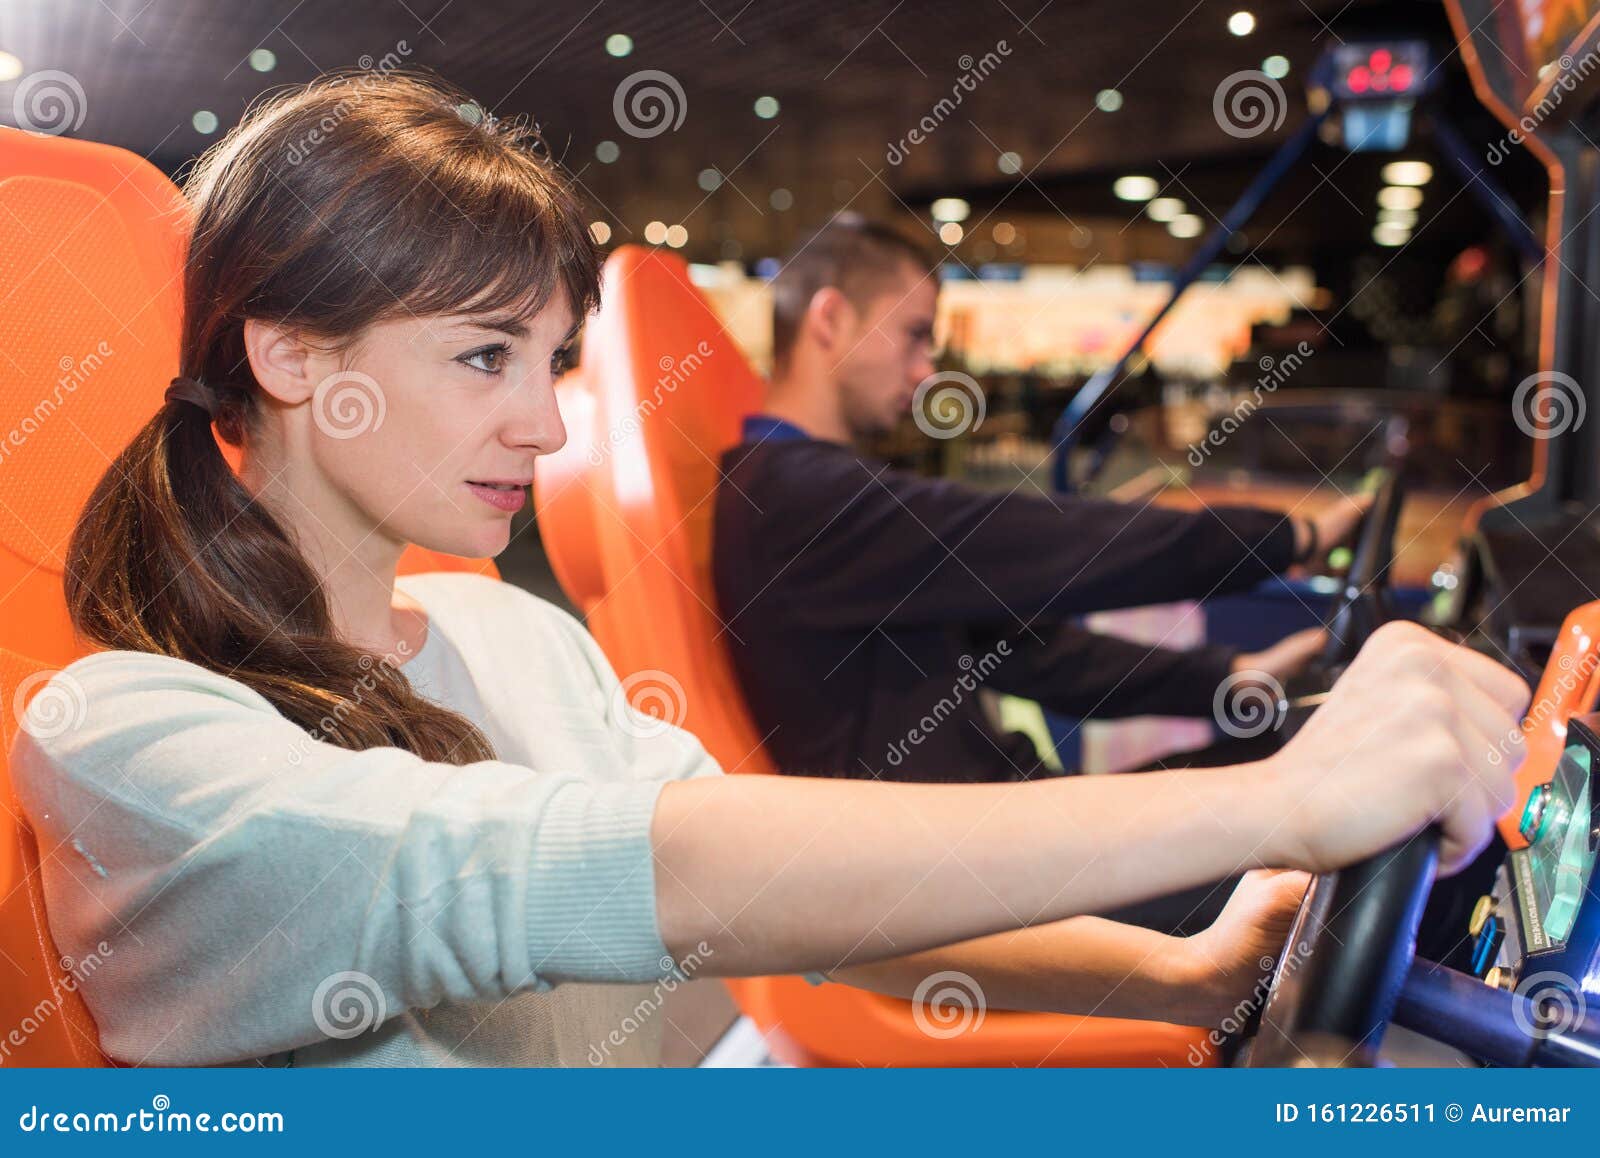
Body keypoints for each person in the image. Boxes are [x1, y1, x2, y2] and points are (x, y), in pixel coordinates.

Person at [10, 74, 1527, 1069]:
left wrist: (1177, 970)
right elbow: (648, 871)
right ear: (285, 351)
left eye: (549, 362)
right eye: (483, 358)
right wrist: (1278, 796)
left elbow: (768, 886)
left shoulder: (502, 635)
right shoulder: (124, 734)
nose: (543, 425)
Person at [714, 216, 1371, 783]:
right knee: (1313, 793)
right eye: (914, 334)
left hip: (1002, 829)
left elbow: (1032, 653)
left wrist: (1232, 678)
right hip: (964, 886)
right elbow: (1061, 543)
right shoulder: (798, 498)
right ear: (830, 318)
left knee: (1286, 758)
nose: (924, 371)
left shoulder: (805, 492)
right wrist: (1294, 540)